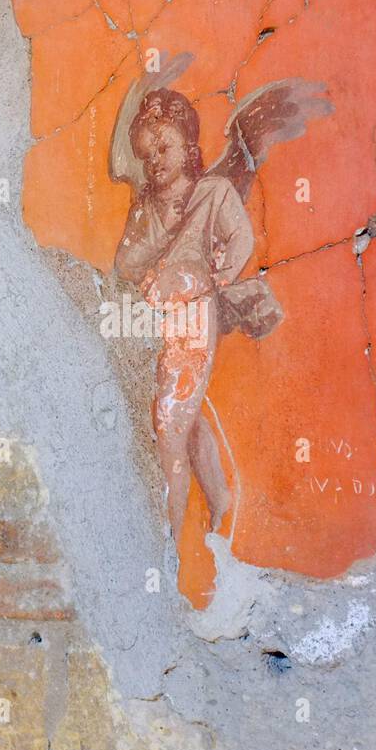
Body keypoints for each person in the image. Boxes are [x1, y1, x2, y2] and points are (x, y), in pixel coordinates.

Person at [114, 88, 253, 540]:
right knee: (183, 418)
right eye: (145, 154)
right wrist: (153, 243)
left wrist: (213, 276)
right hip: (155, 322)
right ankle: (218, 499)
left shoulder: (212, 193)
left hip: (193, 319)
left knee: (169, 427)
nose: (154, 160)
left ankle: (168, 541)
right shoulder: (146, 208)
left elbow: (242, 240)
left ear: (188, 144)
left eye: (164, 146)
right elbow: (125, 264)